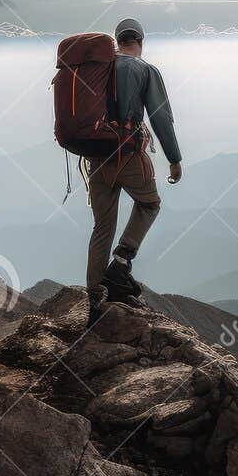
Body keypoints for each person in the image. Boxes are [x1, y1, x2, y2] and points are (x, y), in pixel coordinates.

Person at [86, 17, 181, 320]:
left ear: (116, 41)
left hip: (96, 158)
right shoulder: (146, 70)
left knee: (102, 227)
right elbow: (160, 118)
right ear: (141, 40)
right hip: (128, 156)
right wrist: (174, 158)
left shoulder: (99, 68)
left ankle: (95, 299)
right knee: (150, 204)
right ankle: (122, 261)